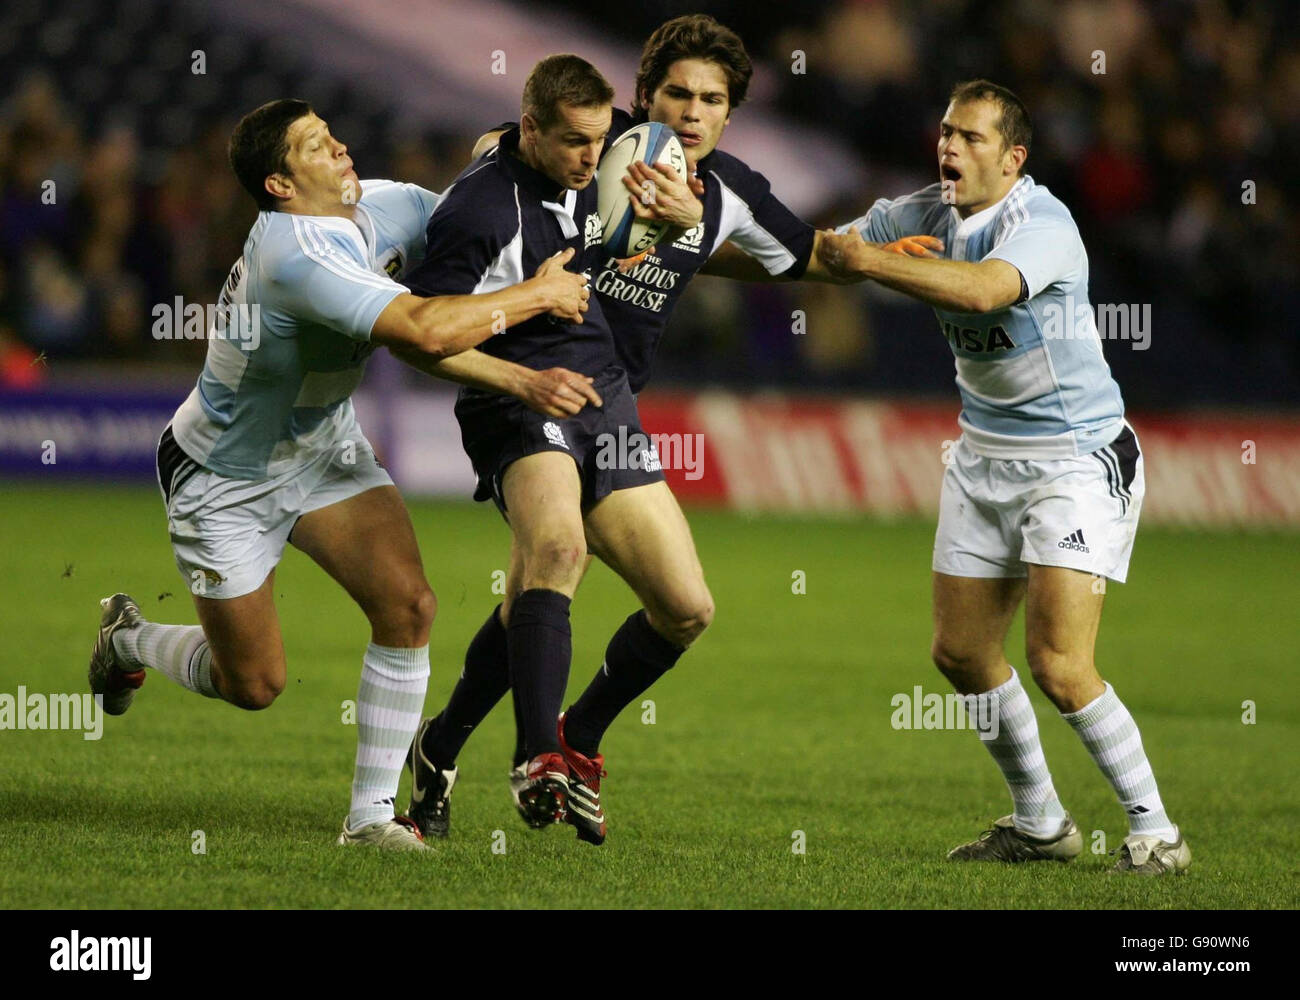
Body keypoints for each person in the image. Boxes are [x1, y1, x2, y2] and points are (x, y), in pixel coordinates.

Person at [409, 16, 890, 847]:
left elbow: (809, 253)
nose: (693, 112)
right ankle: (538, 758)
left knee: (684, 607)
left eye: (712, 99)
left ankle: (543, 739)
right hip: (523, 386)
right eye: (676, 93)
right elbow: (512, 151)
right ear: (644, 96)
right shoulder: (595, 144)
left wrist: (901, 262)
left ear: (732, 113)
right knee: (556, 555)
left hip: (613, 401)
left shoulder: (724, 189)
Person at [87, 98, 595, 852]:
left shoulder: (382, 208)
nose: (342, 150)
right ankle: (128, 640)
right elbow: (423, 328)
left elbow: (469, 213)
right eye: (318, 148)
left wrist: (511, 157)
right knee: (253, 685)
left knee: (409, 605)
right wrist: (539, 295)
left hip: (324, 449)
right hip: (224, 476)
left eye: (332, 137)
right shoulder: (295, 254)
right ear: (281, 186)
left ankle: (369, 820)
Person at [814, 80, 1190, 874]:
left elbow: (985, 290)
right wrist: (692, 244)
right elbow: (816, 256)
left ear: (1013, 158)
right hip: (984, 455)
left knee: (1058, 663)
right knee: (959, 652)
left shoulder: (1043, 222)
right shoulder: (918, 214)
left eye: (972, 137)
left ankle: (1157, 830)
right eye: (946, 131)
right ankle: (1041, 822)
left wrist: (869, 262)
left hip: (1076, 460)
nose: (950, 146)